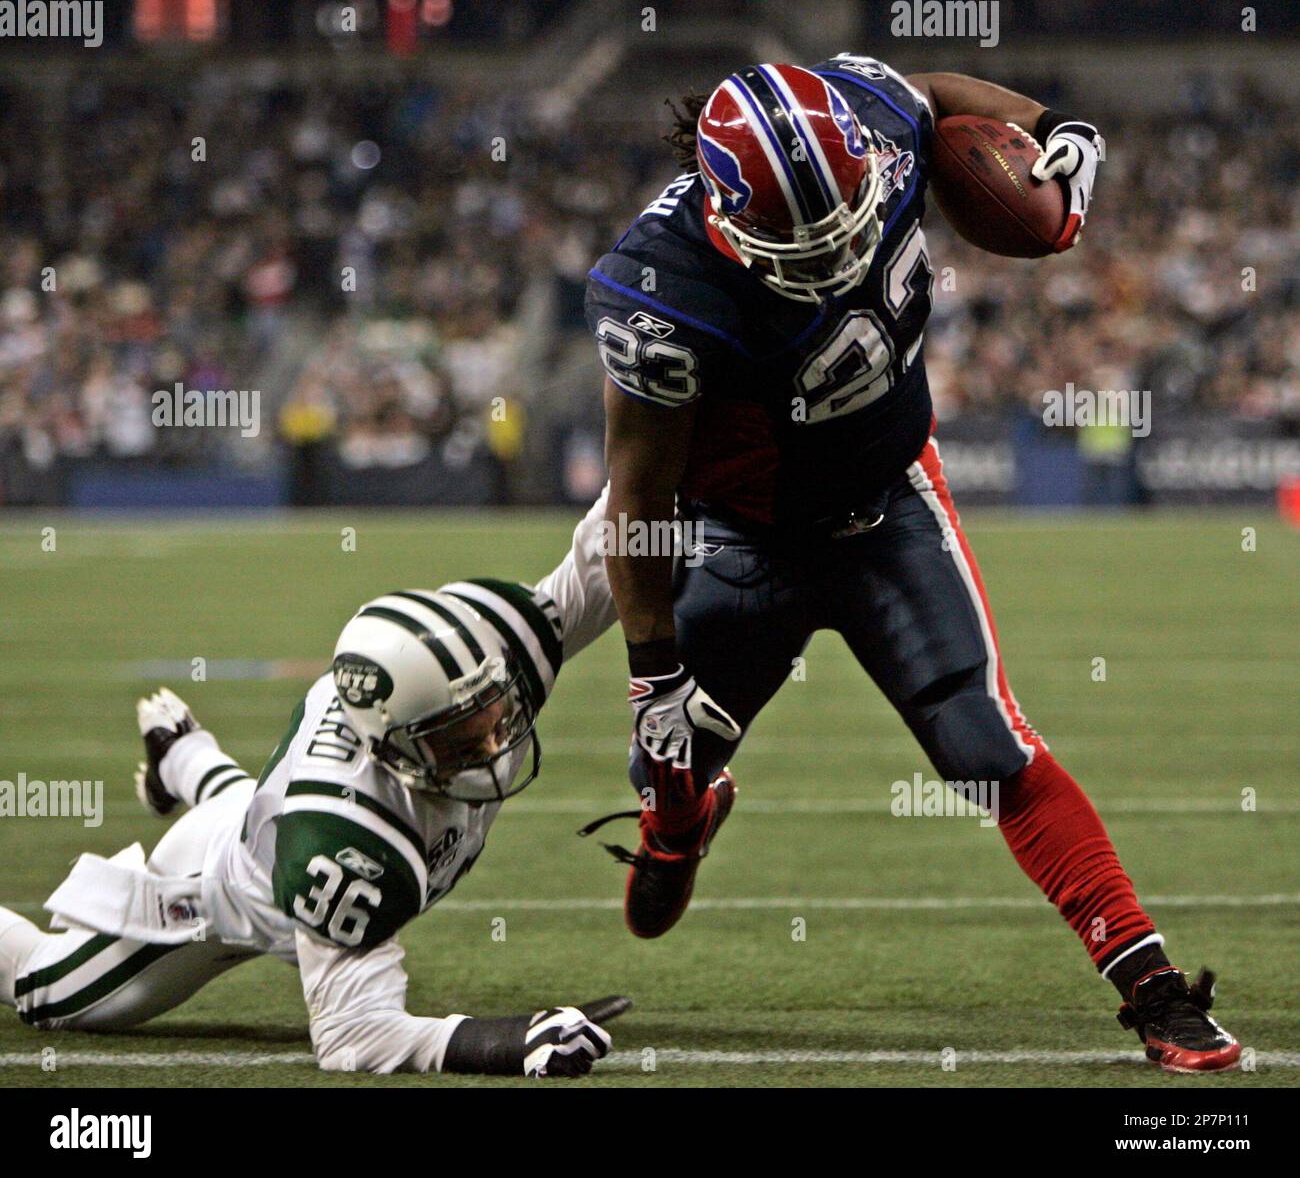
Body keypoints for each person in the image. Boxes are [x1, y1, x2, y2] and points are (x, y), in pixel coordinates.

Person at [584, 56, 1240, 1072]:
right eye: (798, 243)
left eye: (843, 221)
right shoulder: (659, 288)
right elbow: (640, 492)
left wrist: (1051, 123)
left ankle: (1153, 987)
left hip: (888, 501)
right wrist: (651, 668)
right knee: (664, 750)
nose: (832, 257)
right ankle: (679, 818)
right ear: (722, 216)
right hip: (748, 537)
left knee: (989, 749)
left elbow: (934, 90)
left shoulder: (876, 118)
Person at [0, 493, 632, 1078]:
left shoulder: (486, 649)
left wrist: (669, 451)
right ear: (394, 745)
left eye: (490, 711)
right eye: (458, 735)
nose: (493, 743)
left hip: (270, 817)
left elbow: (599, 563)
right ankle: (186, 760)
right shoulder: (342, 838)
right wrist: (501, 1041)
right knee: (45, 990)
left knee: (251, 811)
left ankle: (183, 758)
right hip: (230, 897)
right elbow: (353, 1038)